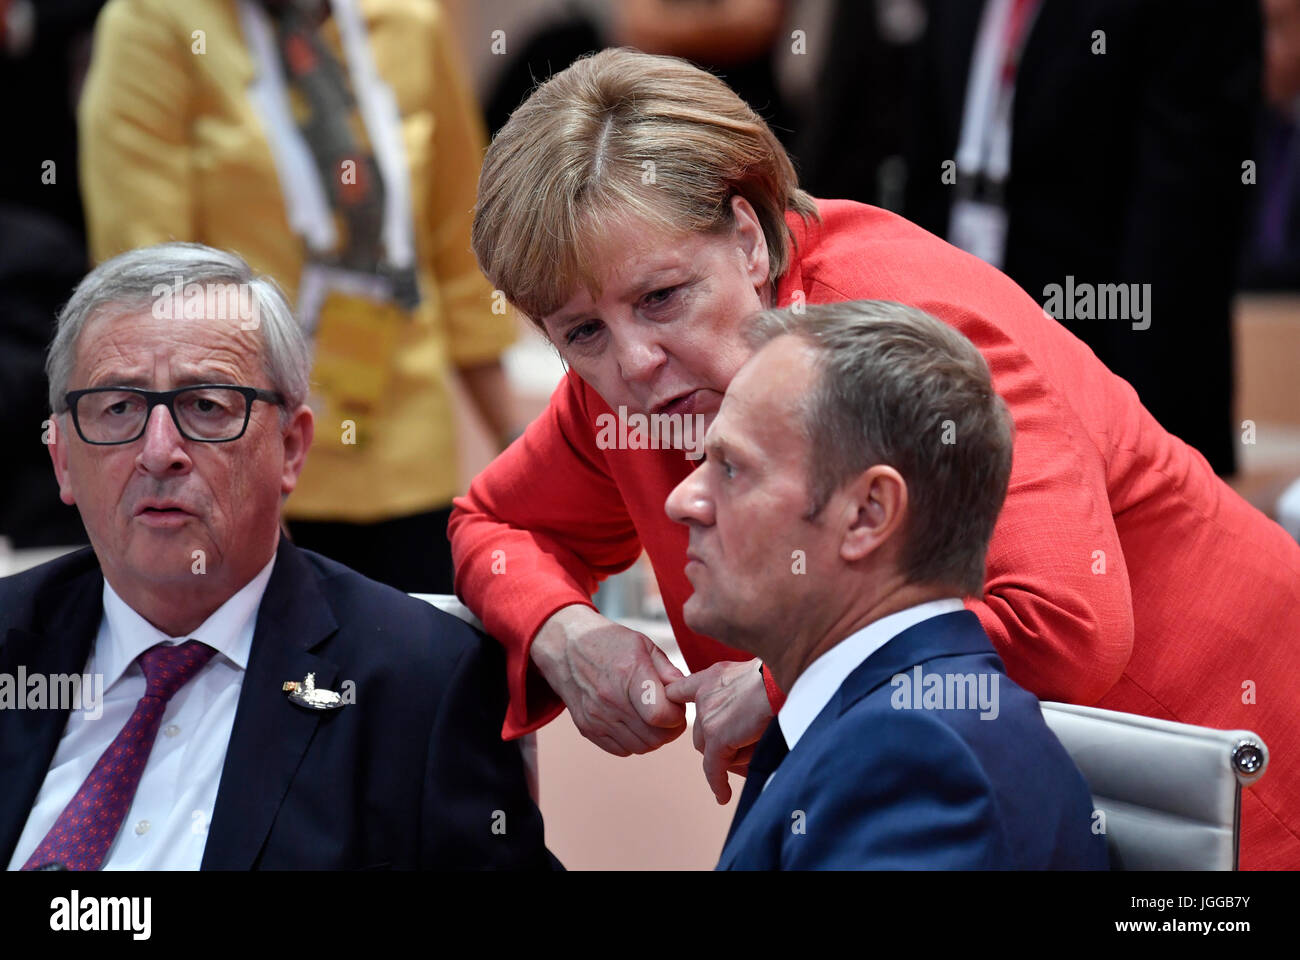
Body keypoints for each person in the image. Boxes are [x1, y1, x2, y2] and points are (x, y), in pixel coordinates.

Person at [450, 48, 1300, 869]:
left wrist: (787, 683)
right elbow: (491, 524)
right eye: (582, 333)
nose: (632, 365)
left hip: (1230, 759)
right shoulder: (626, 388)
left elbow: (1064, 621)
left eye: (662, 298)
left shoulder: (904, 333)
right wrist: (567, 635)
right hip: (967, 774)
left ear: (749, 238)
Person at [0, 244, 556, 870]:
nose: (159, 452)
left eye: (206, 406)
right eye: (118, 407)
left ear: (291, 449)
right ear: (63, 461)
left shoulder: (420, 683)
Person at [77, 0, 522, 593]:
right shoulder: (153, 23)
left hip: (411, 457)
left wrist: (519, 451)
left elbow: (459, 245)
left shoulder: (410, 21)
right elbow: (155, 290)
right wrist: (239, 490)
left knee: (413, 669)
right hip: (241, 457)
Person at [664, 300, 1107, 869]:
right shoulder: (881, 723)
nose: (683, 502)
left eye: (730, 468)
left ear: (868, 514)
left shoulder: (917, 760)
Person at [905, 0, 1260, 477]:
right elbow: (923, 177)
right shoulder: (959, 15)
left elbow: (1176, 245)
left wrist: (1129, 451)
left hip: (1105, 377)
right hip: (949, 363)